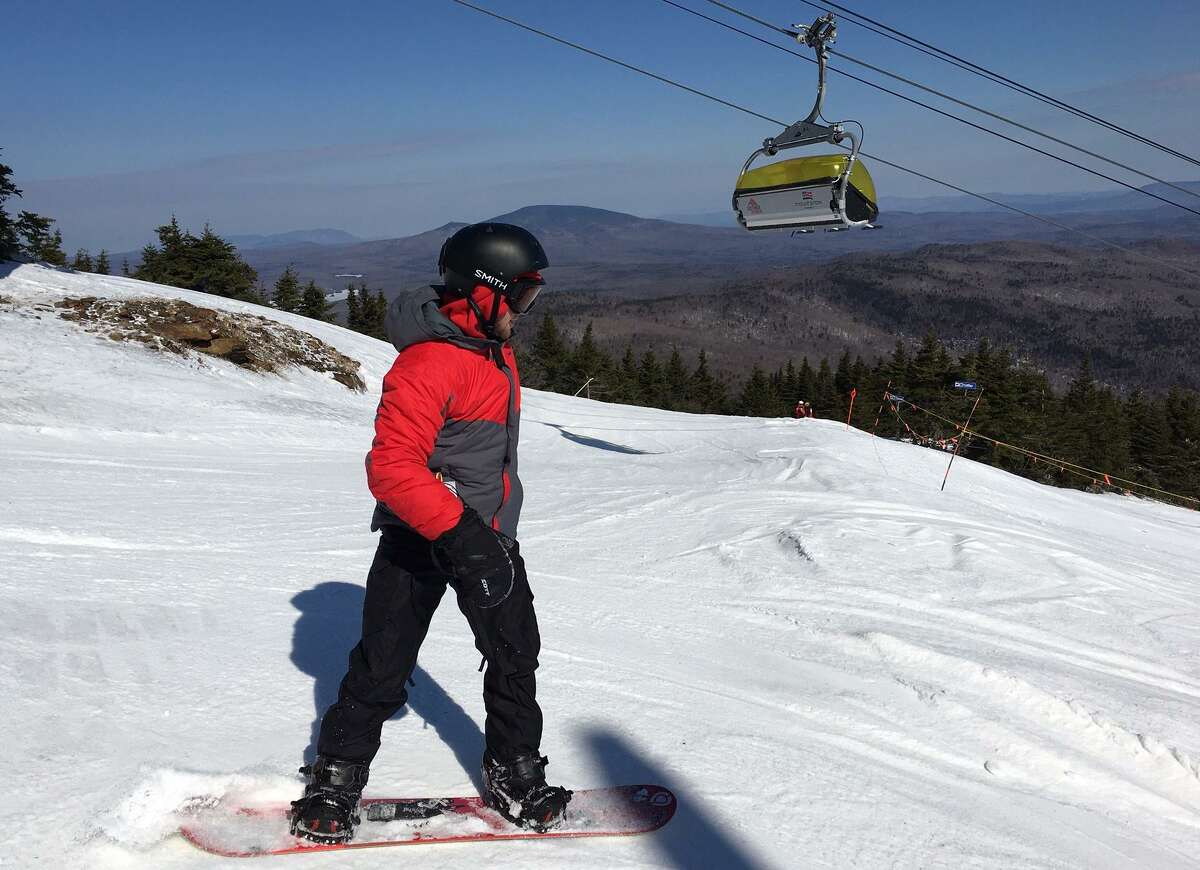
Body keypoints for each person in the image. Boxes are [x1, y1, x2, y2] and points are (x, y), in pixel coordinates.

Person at [289, 223, 571, 844]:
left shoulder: (492, 351)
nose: (525, 312)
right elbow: (390, 468)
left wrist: (487, 536)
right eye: (520, 297)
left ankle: (514, 770)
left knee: (515, 655)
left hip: (491, 538)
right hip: (421, 540)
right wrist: (461, 534)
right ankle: (337, 774)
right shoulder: (427, 364)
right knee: (383, 664)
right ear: (481, 292)